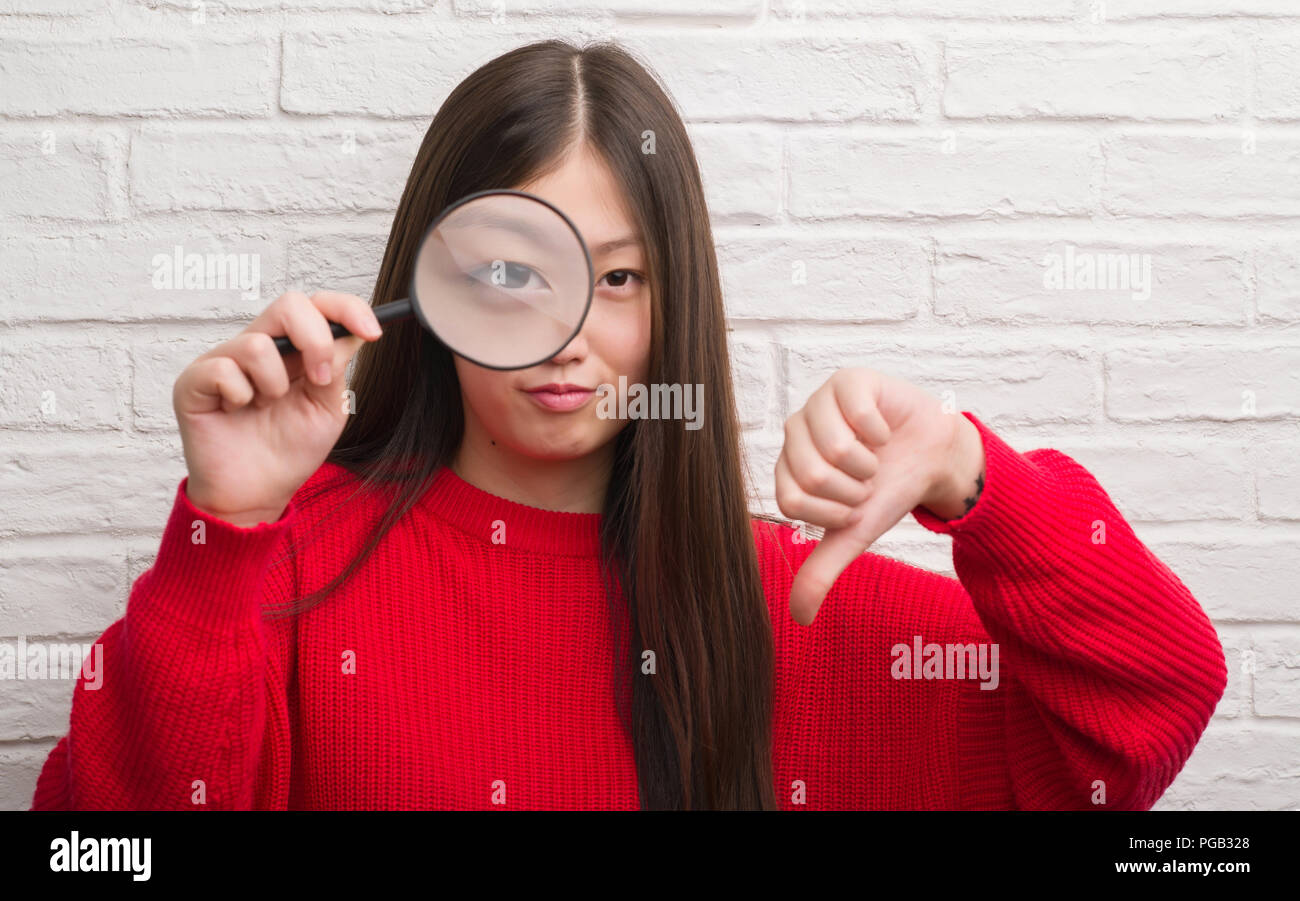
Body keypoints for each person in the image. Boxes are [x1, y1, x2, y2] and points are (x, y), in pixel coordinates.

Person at [30, 39, 1226, 811]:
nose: (564, 340)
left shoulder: (792, 604)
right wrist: (223, 532)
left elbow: (1148, 712)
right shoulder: (289, 572)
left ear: (676, 305)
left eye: (617, 280)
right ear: (428, 287)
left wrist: (979, 478)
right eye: (509, 275)